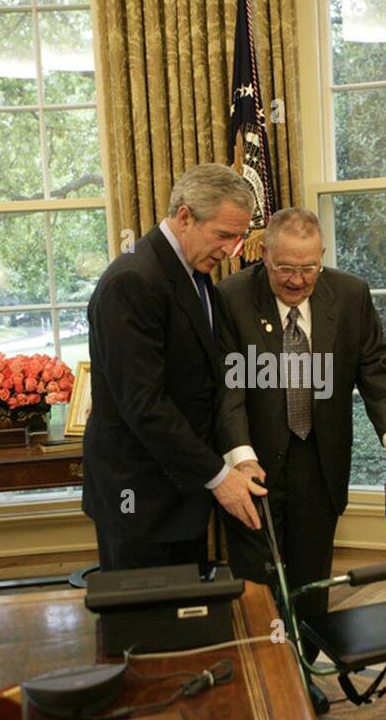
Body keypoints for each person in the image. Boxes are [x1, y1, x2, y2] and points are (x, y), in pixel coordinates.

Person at [216, 208, 386, 674]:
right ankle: (265, 677)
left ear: (321, 257)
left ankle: (303, 676)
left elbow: (375, 370)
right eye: (285, 267)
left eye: (309, 267)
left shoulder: (349, 295)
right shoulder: (231, 299)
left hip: (319, 461)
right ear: (262, 254)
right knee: (258, 582)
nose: (296, 280)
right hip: (253, 465)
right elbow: (226, 390)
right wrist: (241, 460)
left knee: (311, 581)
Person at [82, 164, 267, 573]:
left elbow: (207, 382)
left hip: (181, 492)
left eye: (238, 239)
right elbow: (145, 405)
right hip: (139, 497)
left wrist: (238, 456)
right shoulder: (131, 281)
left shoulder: (195, 272)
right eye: (223, 235)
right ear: (185, 216)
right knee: (142, 628)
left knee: (183, 621)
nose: (230, 250)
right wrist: (220, 477)